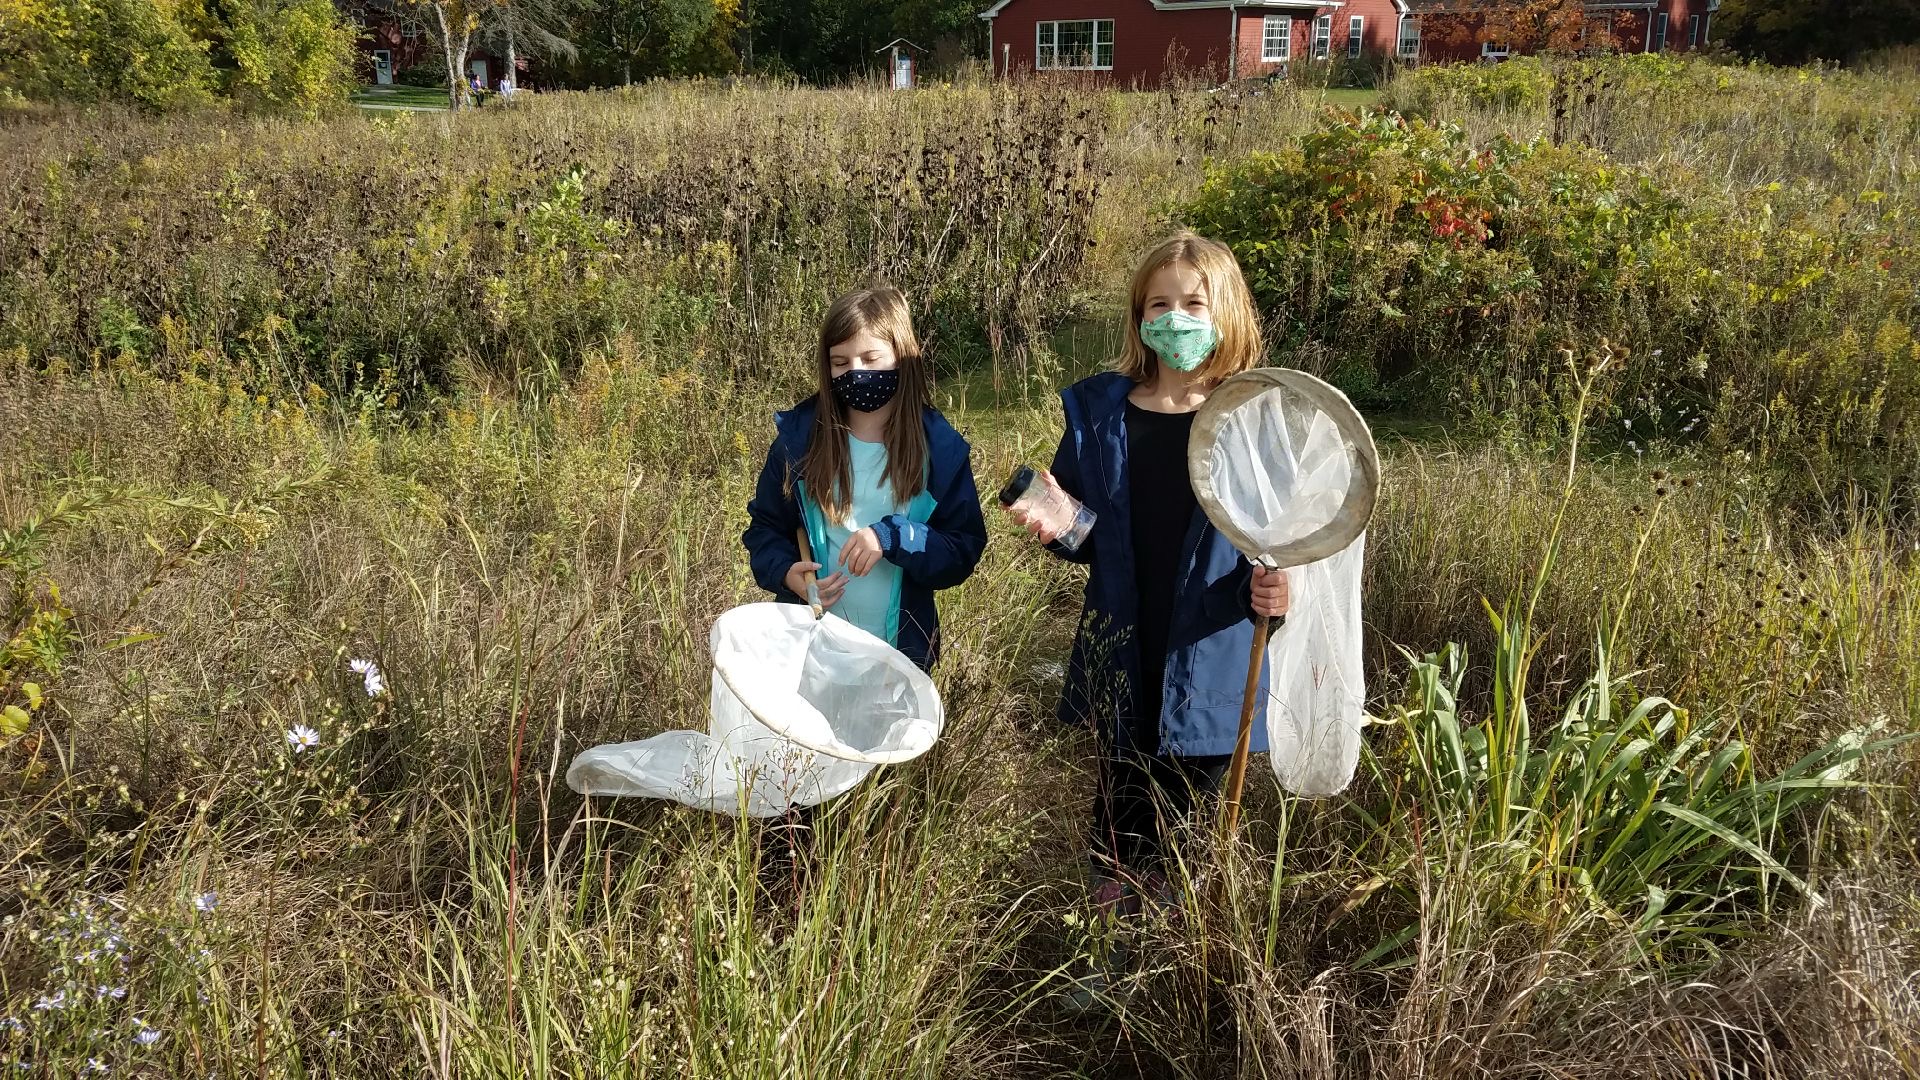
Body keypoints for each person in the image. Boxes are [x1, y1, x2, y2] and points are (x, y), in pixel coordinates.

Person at [1004, 232, 1289, 924]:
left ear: (1229, 314)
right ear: (1137, 318)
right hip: (1124, 643)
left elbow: (1290, 534)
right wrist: (1056, 521)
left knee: (1190, 814)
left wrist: (1281, 596)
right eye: (1158, 304)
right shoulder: (1102, 416)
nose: (1176, 318)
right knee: (1120, 799)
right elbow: (1087, 534)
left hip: (1213, 649)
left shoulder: (1251, 418)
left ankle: (1176, 950)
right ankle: (1109, 938)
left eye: (1195, 303)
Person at [744, 284, 987, 666]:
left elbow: (961, 551)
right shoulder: (800, 442)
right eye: (840, 363)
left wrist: (896, 536)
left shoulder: (940, 451)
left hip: (898, 655)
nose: (856, 372)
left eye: (871, 358)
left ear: (903, 357)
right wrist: (788, 573)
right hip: (812, 652)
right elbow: (765, 528)